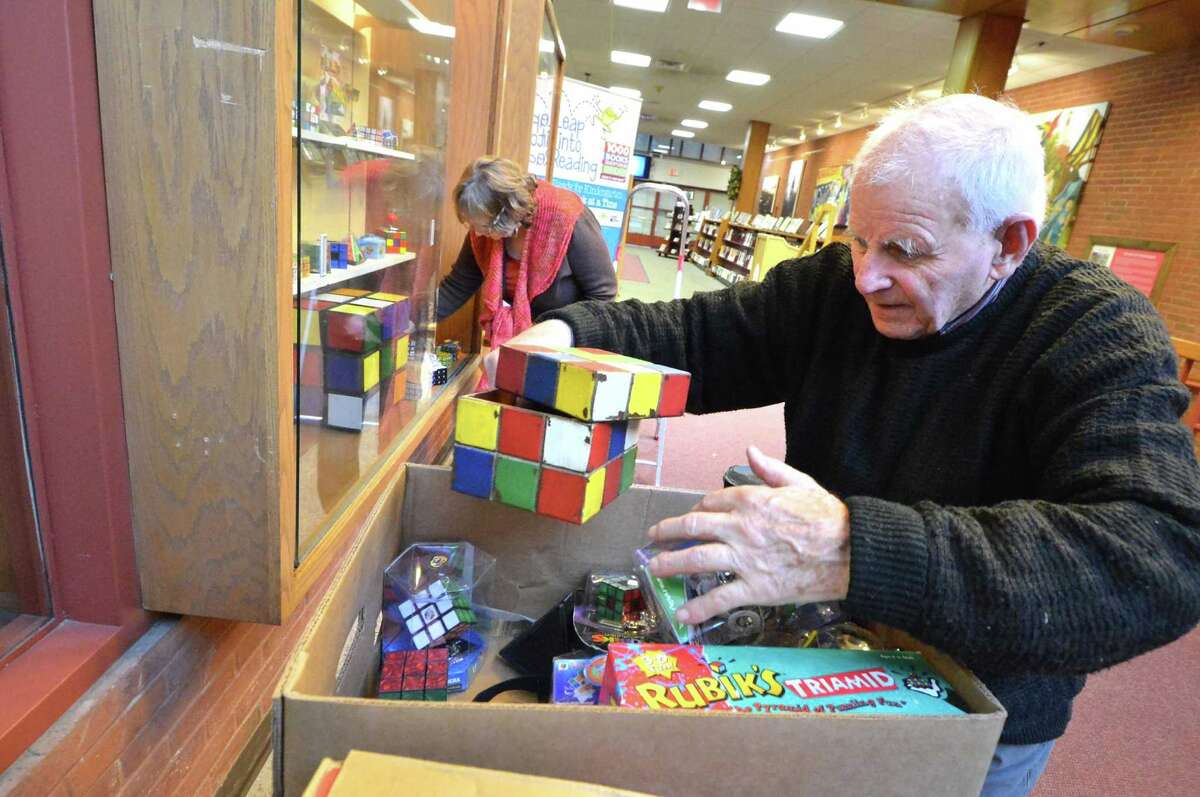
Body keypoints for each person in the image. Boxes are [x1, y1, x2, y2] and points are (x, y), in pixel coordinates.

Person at [489, 94, 1200, 796]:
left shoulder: (1095, 329)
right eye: (858, 239)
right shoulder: (833, 290)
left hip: (975, 709)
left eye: (905, 250)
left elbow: (1158, 557)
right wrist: (567, 332)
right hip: (812, 659)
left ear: (1007, 244)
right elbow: (697, 333)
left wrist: (851, 549)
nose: (866, 277)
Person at [436, 157, 616, 349]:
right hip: (528, 340)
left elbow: (603, 297)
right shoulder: (484, 230)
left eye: (484, 227)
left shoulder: (568, 218)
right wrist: (415, 318)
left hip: (571, 340)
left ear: (505, 214)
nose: (478, 234)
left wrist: (562, 335)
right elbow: (457, 286)